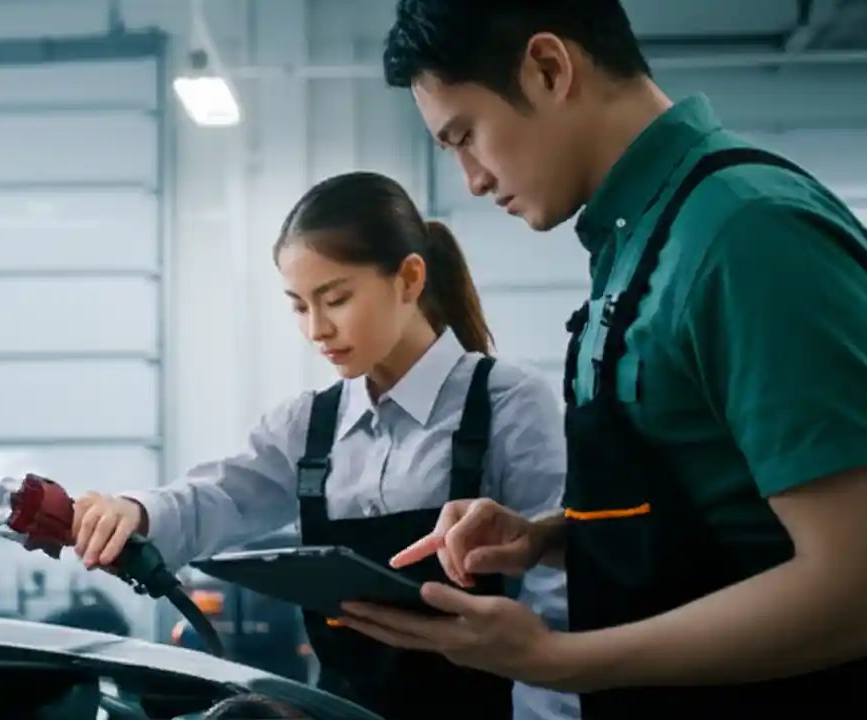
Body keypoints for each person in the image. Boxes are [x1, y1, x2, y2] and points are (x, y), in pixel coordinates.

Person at [335, 1, 867, 717]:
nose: (472, 180)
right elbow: (719, 509)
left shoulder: (746, 234)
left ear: (549, 68)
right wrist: (551, 536)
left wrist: (556, 661)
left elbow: (852, 583)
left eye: (466, 136)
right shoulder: (641, 242)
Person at [70, 171, 577, 719]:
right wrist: (135, 511)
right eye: (298, 306)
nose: (316, 329)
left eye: (335, 299)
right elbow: (218, 497)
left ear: (409, 279)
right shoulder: (309, 425)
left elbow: (557, 595)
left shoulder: (507, 402)